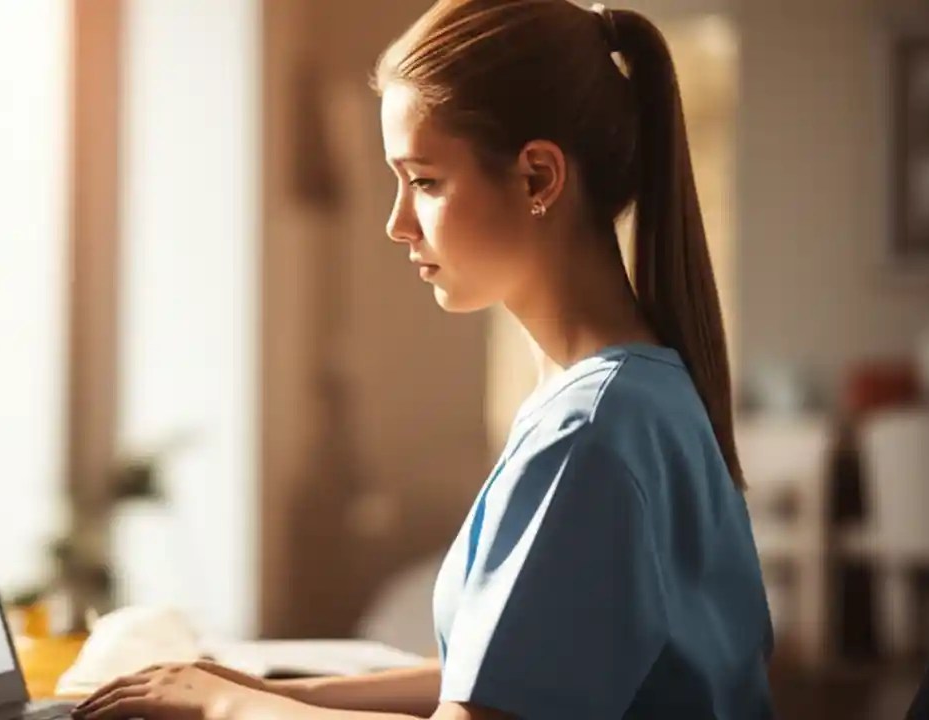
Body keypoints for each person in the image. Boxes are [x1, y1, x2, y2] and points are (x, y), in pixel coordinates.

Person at [73, 0, 773, 717]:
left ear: (538, 177)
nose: (397, 223)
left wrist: (226, 709)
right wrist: (269, 690)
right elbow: (503, 678)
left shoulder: (592, 428)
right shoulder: (633, 392)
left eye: (425, 181)